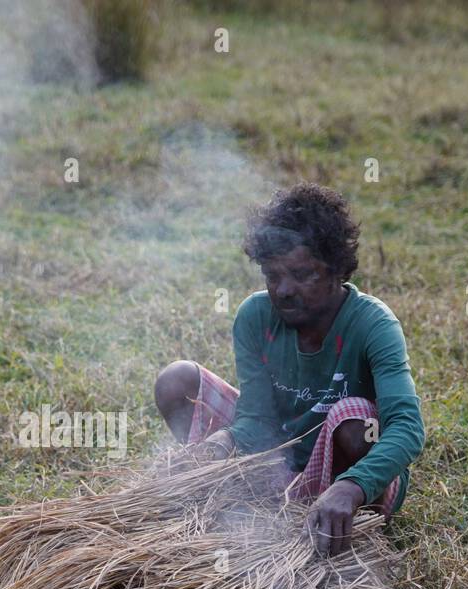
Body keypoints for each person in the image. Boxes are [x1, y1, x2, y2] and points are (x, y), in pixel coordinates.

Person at [154, 183, 425, 557]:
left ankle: (344, 528)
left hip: (346, 478)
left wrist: (351, 486)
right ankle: (220, 500)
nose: (283, 290)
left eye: (302, 274)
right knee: (177, 381)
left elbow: (408, 428)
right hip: (278, 463)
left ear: (336, 270)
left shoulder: (374, 324)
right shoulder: (256, 317)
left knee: (355, 422)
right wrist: (222, 444)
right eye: (272, 275)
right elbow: (255, 419)